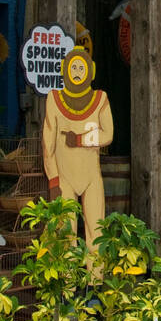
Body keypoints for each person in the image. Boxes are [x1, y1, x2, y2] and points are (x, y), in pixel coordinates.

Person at [42, 44, 113, 249]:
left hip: (91, 177)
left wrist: (81, 140)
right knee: (65, 233)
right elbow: (48, 144)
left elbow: (108, 134)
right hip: (64, 178)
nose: (77, 73)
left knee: (96, 231)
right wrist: (53, 179)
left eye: (81, 68)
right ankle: (67, 281)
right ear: (65, 70)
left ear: (90, 71)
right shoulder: (54, 99)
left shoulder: (100, 99)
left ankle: (94, 280)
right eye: (73, 68)